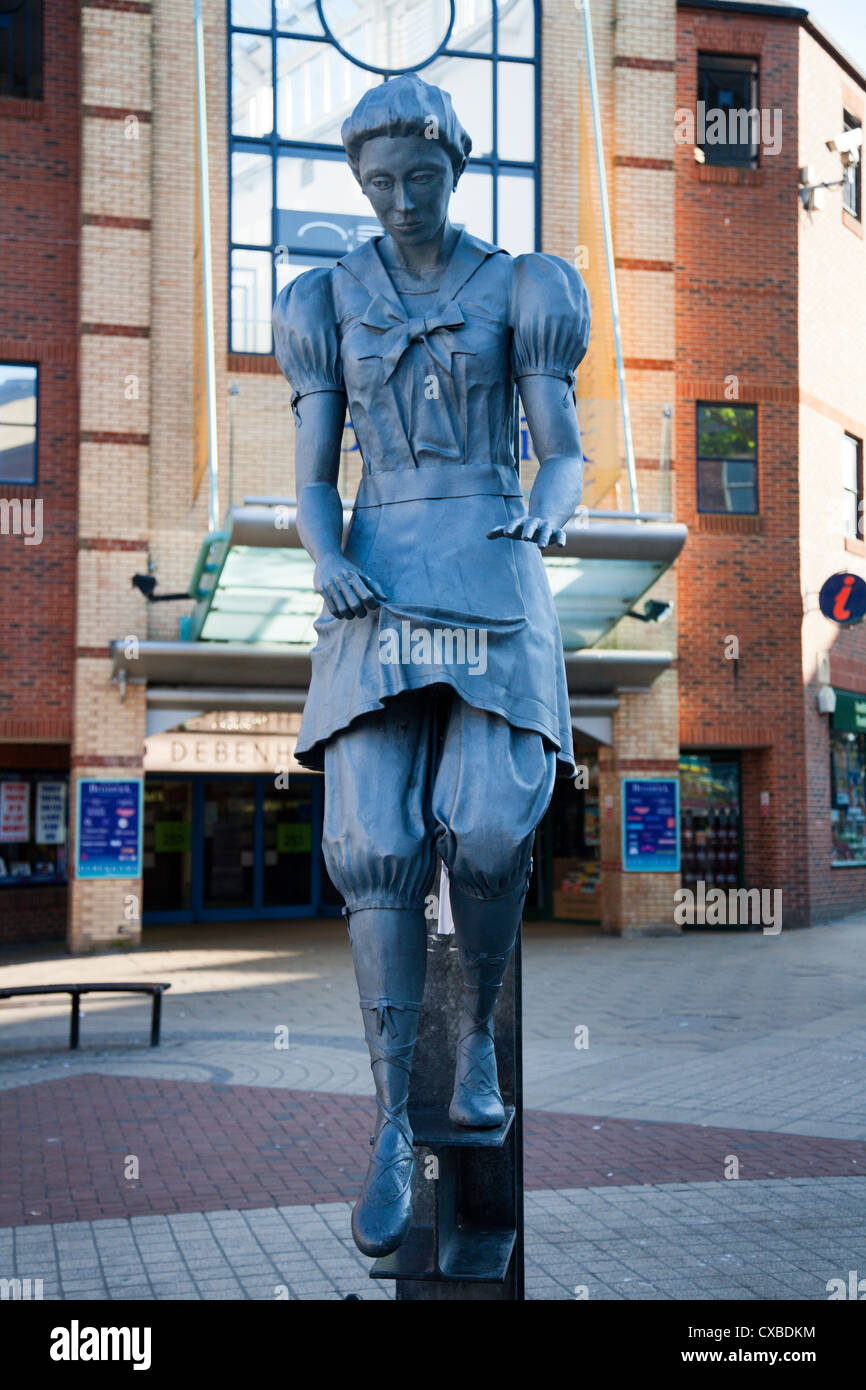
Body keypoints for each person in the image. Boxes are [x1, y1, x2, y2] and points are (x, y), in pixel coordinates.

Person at [273, 72, 590, 1258]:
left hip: (492, 562)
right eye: (376, 183)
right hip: (378, 575)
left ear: (456, 167)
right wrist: (323, 557)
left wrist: (553, 511)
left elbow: (560, 448)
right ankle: (385, 1129)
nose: (399, 199)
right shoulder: (322, 298)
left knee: (494, 822)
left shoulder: (523, 285)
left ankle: (471, 1060)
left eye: (418, 176)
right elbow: (312, 474)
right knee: (378, 844)